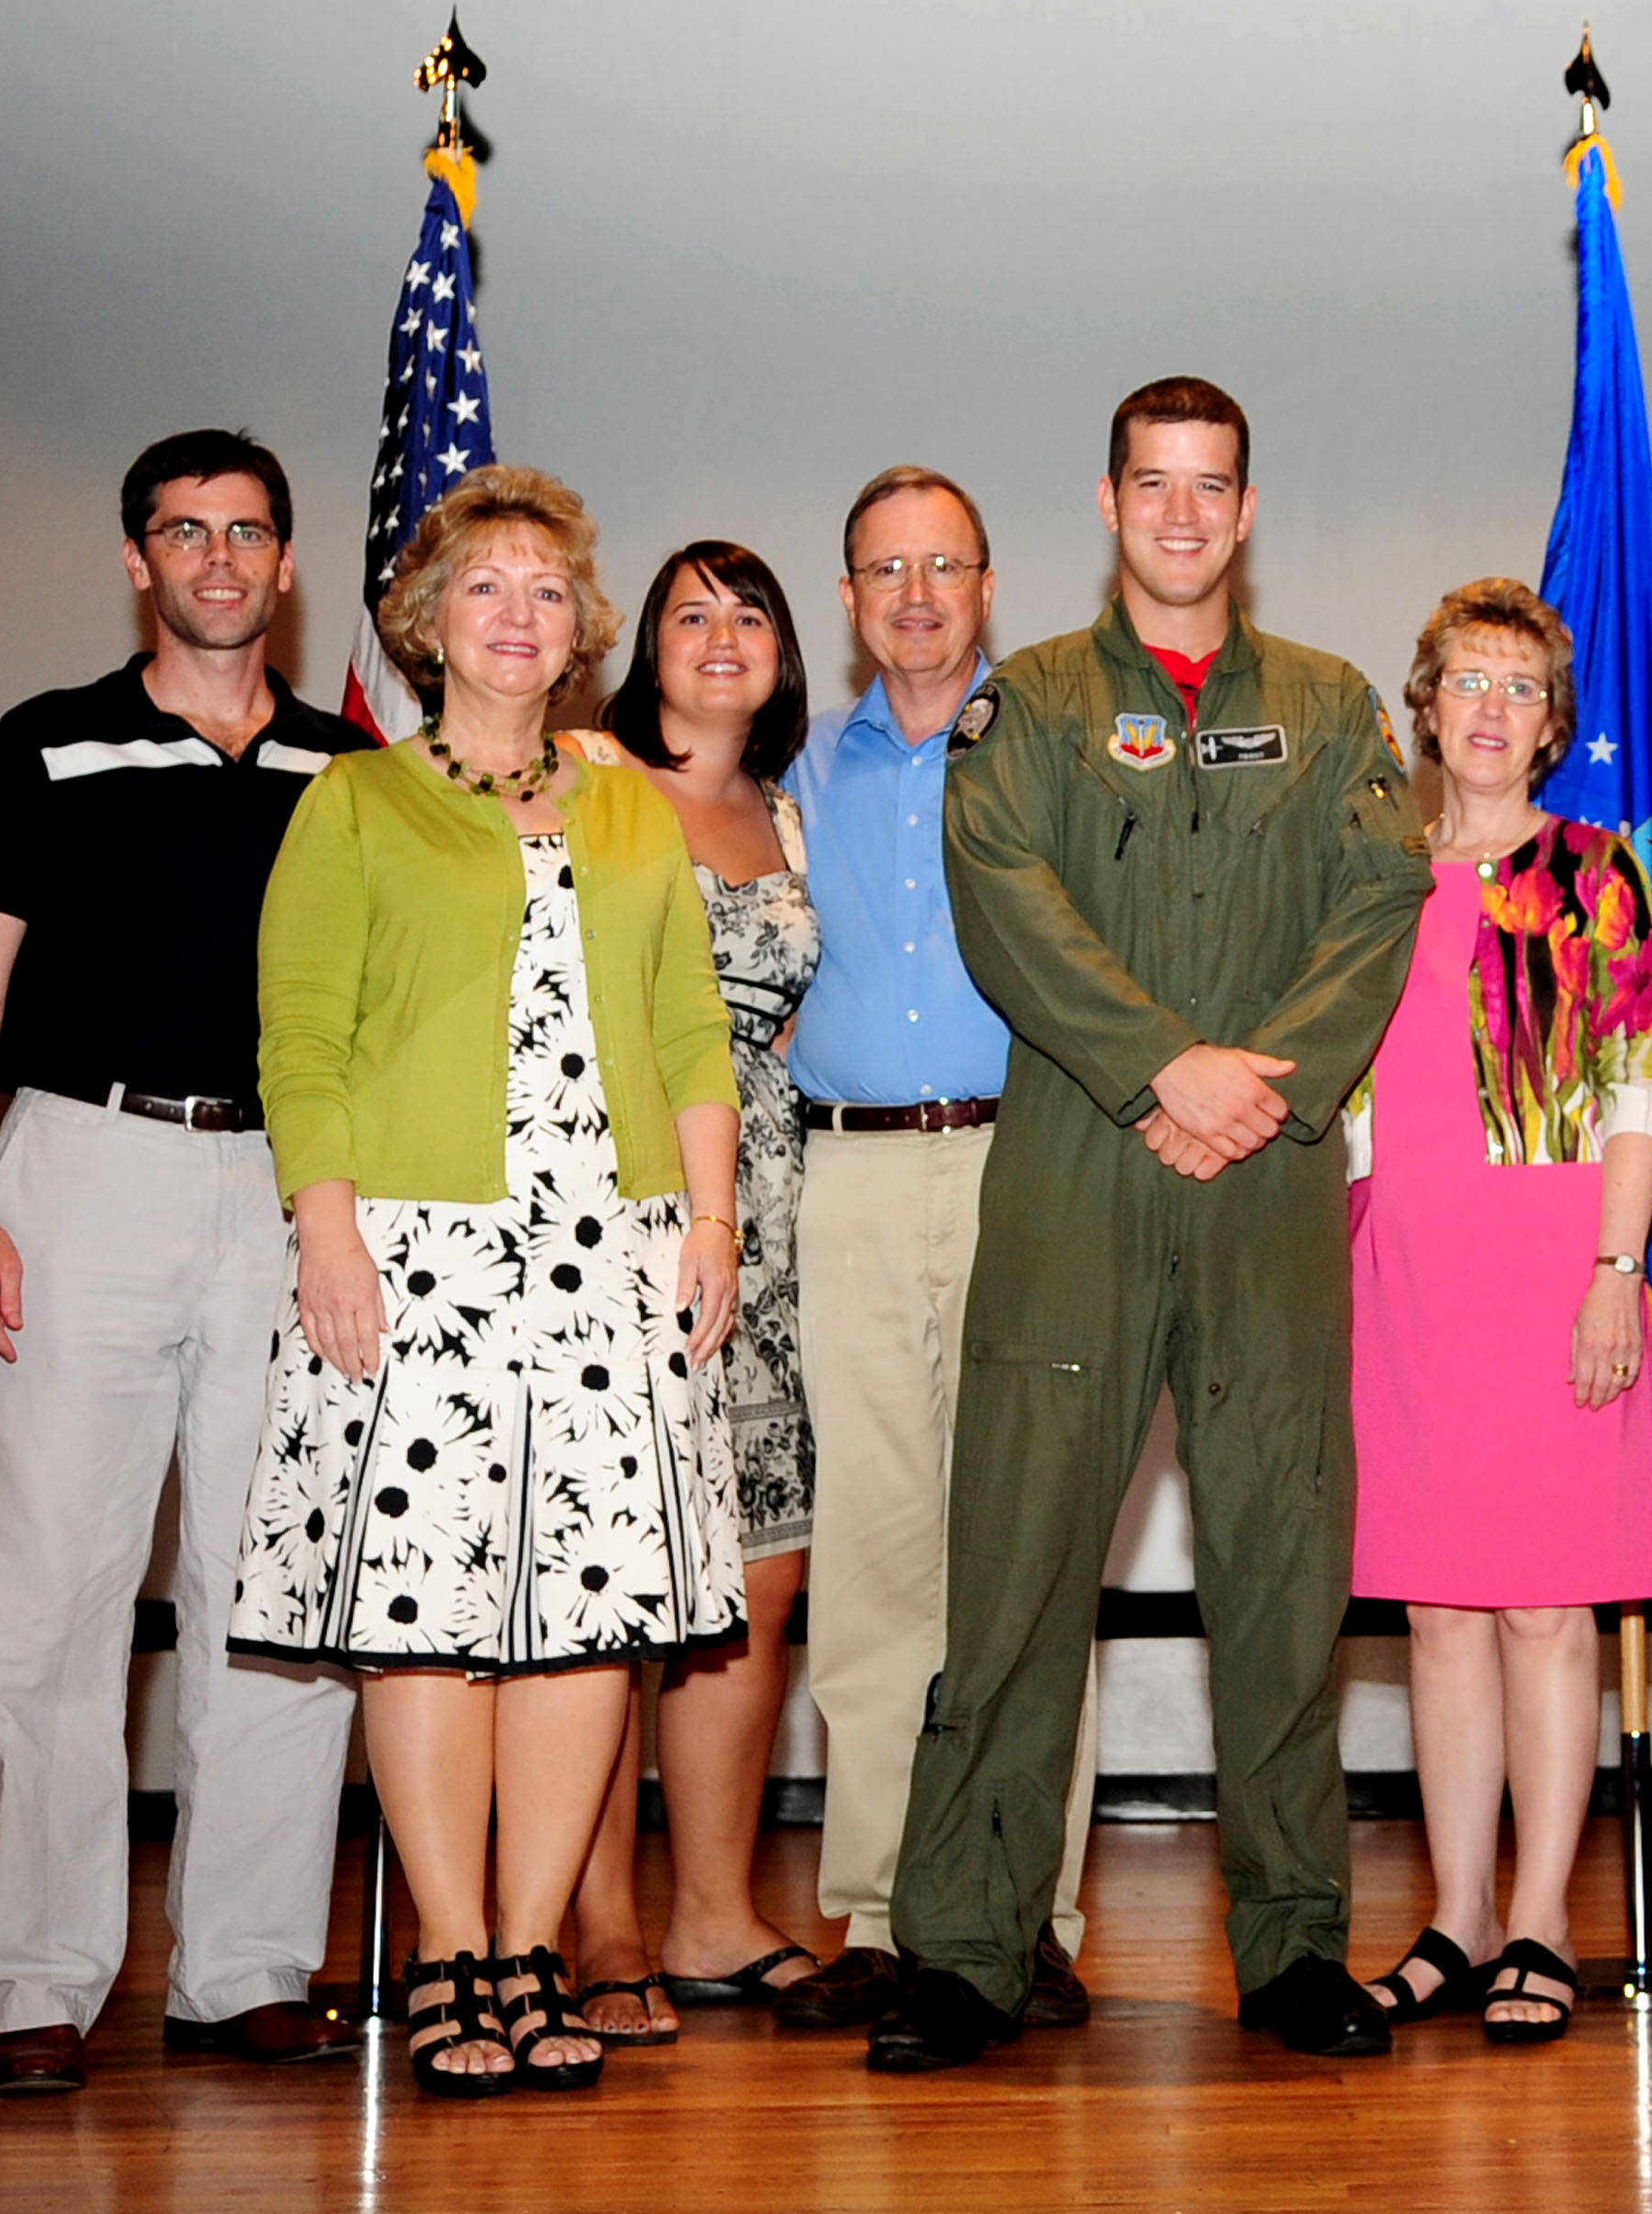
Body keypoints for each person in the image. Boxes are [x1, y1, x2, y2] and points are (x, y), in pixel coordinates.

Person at [865, 376, 1431, 2070]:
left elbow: (1380, 896)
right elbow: (1004, 897)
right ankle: (965, 1954)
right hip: (1079, 1172)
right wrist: (1160, 1069)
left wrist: (1257, 1086)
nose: (1183, 514)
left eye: (1214, 487)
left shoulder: (1332, 706)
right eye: (1153, 486)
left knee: (1282, 1566)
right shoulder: (1022, 706)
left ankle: (1294, 1953)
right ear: (1107, 506)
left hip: (1269, 1171)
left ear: (1246, 511)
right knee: (1020, 1564)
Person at [229, 465, 747, 2097]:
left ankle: (531, 1950)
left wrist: (715, 1219)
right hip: (415, 1255)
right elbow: (300, 1041)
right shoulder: (357, 802)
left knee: (591, 1621)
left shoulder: (624, 811)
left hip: (613, 1252)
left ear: (577, 629)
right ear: (427, 620)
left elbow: (690, 1030)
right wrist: (325, 1231)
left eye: (545, 589)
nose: (519, 613)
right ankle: (449, 1950)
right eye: (486, 585)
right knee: (429, 1621)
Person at [0, 428, 367, 2098]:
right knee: (45, 1601)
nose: (221, 558)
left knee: (284, 1599)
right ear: (139, 561)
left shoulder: (348, 768)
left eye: (249, 531)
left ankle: (243, 1969)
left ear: (284, 561)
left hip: (289, 1192)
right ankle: (30, 1978)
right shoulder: (48, 743)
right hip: (78, 1170)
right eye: (187, 532)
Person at [774, 467, 1101, 2035]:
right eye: (882, 570)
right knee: (879, 1560)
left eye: (943, 566)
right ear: (845, 602)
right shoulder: (790, 772)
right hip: (843, 1184)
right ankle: (883, 1913)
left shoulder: (1048, 747)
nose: (914, 594)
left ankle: (1026, 1908)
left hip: (1028, 1170)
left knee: (1026, 1556)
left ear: (988, 587)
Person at [1347, 578, 1652, 2044]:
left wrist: (1617, 1272)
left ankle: (1543, 1919)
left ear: (1553, 722)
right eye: (1465, 680)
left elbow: (1635, 1094)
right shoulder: (1373, 876)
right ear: (1427, 706)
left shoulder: (1597, 873)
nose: (1488, 707)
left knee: (1546, 1611)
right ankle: (1459, 1915)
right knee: (1434, 1614)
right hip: (1399, 1274)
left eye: (1518, 685)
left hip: (1556, 1274)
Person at [557, 542, 824, 2040]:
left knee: (752, 1582)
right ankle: (601, 1924)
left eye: (749, 617)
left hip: (773, 1229)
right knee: (614, 1584)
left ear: (784, 655)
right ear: (643, 649)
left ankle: (713, 1916)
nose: (720, 639)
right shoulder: (587, 776)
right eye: (689, 615)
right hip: (621, 1217)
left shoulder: (789, 814)